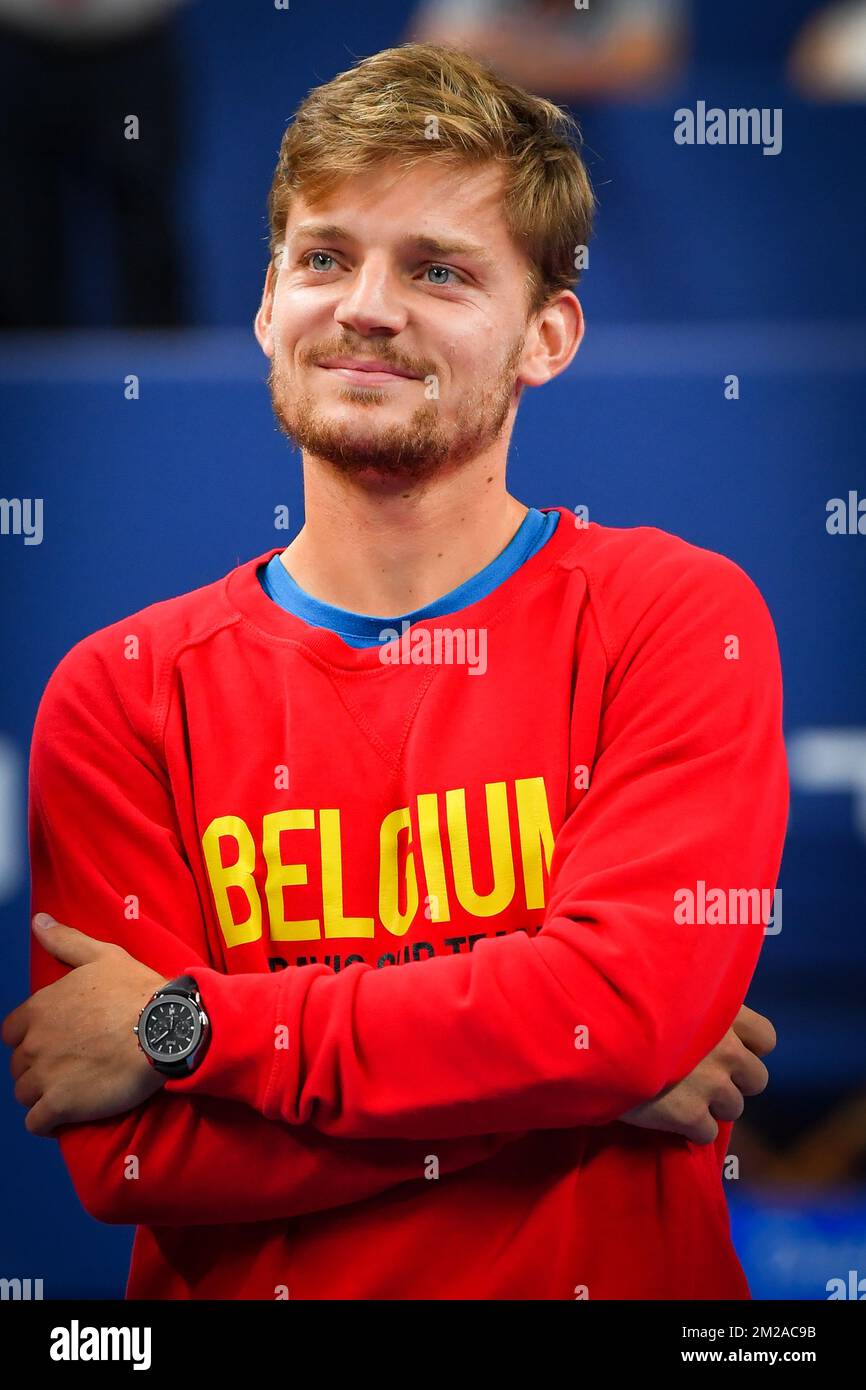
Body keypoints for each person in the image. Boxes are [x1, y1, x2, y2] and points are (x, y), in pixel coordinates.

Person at [2, 43, 787, 1300]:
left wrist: (187, 1026)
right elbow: (133, 1157)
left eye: (437, 270)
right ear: (266, 304)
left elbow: (617, 1014)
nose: (365, 306)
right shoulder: (121, 687)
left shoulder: (677, 618)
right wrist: (576, 1087)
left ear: (547, 336)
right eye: (323, 257)